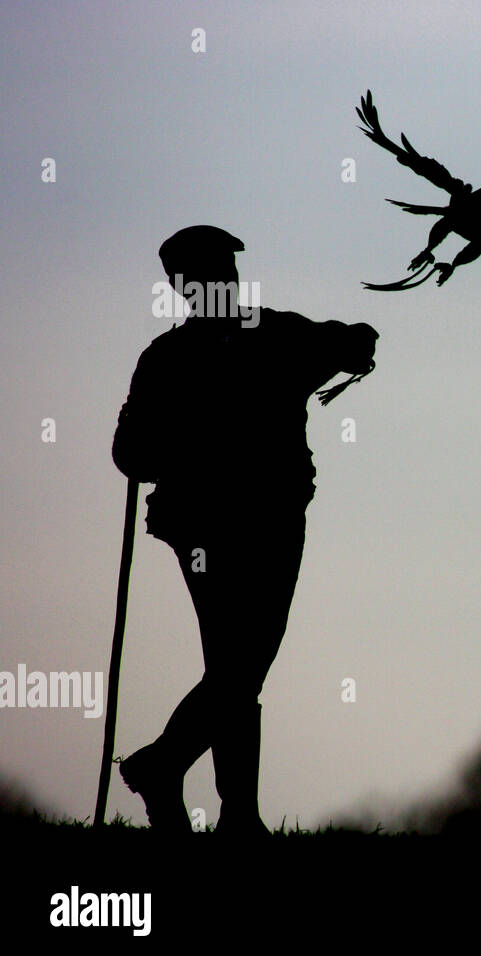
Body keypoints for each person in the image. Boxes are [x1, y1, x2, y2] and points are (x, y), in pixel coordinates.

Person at [111, 225, 378, 836]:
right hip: (209, 529)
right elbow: (131, 455)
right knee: (238, 665)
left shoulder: (270, 334)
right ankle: (199, 790)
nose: (223, 280)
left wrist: (358, 341)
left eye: (227, 268)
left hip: (272, 519)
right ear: (182, 285)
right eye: (209, 271)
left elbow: (344, 344)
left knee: (238, 667)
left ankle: (219, 802)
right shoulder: (171, 358)